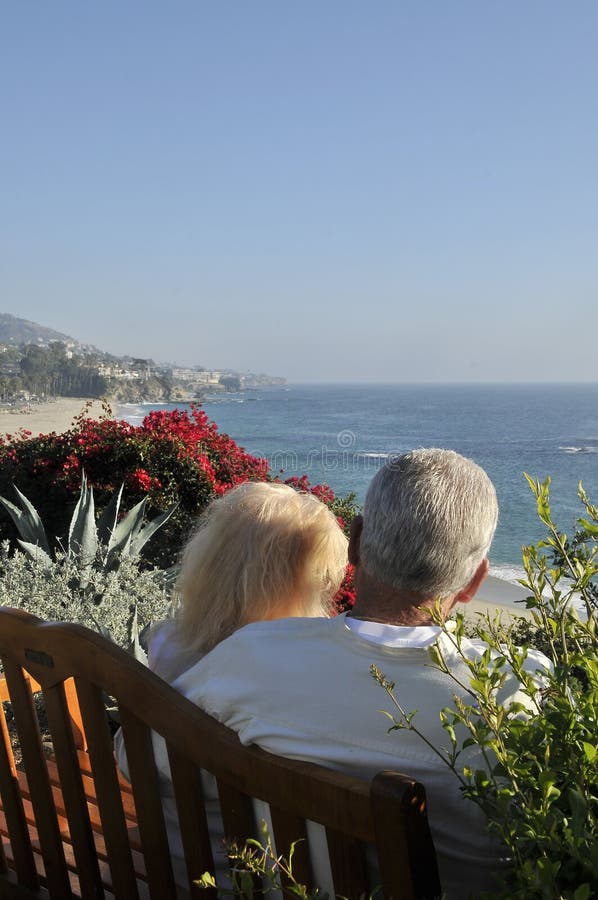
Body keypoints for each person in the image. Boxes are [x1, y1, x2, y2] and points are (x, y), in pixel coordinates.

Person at [168, 449, 548, 898]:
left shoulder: (249, 656)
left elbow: (148, 761)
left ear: (356, 542)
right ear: (473, 582)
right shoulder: (517, 689)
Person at [116, 479, 348, 894]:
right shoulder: (302, 673)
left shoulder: (167, 643)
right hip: (260, 881)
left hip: (171, 861)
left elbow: (135, 759)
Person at [146, 479, 349, 682]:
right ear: (285, 588)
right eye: (318, 575)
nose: (325, 587)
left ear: (212, 559)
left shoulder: (164, 643)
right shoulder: (289, 680)